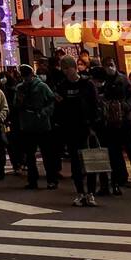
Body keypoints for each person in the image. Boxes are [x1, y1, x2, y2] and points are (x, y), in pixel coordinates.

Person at [54, 55, 103, 205]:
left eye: (67, 68)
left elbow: (95, 106)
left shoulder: (87, 84)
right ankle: (80, 192)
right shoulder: (61, 86)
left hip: (87, 128)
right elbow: (58, 109)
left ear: (73, 68)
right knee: (76, 162)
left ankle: (91, 193)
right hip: (70, 128)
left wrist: (93, 126)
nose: (66, 71)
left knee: (90, 160)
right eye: (63, 69)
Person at [13, 62, 59, 190]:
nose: (26, 78)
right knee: (29, 155)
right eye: (24, 76)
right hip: (27, 124)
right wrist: (19, 101)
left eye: (27, 75)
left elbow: (51, 101)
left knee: (47, 154)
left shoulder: (42, 87)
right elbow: (16, 105)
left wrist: (44, 113)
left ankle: (52, 179)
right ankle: (32, 179)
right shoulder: (20, 88)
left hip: (42, 124)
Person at [99, 60, 131, 190]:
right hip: (111, 120)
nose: (110, 68)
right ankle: (121, 175)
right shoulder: (104, 81)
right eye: (107, 66)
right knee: (115, 150)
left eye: (111, 65)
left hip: (125, 119)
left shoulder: (123, 79)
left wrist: (126, 106)